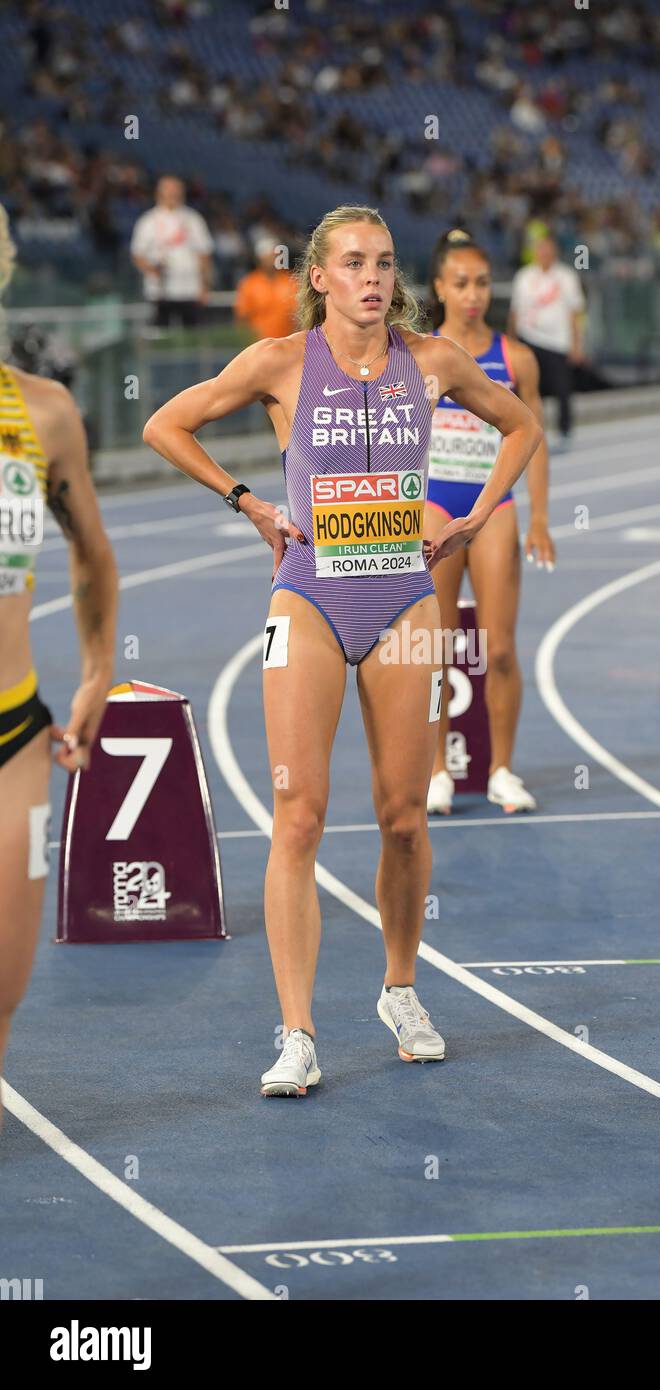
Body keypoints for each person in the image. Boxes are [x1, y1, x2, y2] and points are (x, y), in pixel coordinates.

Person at [141, 204, 541, 1098]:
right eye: (354, 263)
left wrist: (476, 515)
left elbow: (522, 427)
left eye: (385, 263)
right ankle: (297, 1032)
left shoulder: (432, 361)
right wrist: (246, 500)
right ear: (318, 276)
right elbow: (165, 425)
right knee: (300, 816)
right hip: (311, 595)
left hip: (404, 596)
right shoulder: (281, 363)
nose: (373, 278)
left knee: (404, 815)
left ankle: (401, 989)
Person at [0, 205, 118, 1125]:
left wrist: (94, 671)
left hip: (16, 734)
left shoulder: (43, 413)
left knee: (4, 983)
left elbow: (92, 556)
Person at [424, 228, 555, 816]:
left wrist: (541, 518)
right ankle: (435, 772)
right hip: (433, 501)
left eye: (481, 283)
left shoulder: (515, 357)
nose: (472, 294)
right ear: (439, 287)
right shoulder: (415, 353)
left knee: (499, 650)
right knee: (434, 647)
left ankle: (501, 769)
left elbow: (535, 440)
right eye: (460, 283)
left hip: (493, 504)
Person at [508, 234, 585, 443]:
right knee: (527, 388)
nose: (544, 254)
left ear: (555, 251)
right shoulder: (524, 276)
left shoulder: (566, 276)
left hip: (557, 342)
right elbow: (515, 311)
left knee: (562, 389)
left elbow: (574, 313)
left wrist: (577, 344)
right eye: (541, 249)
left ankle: (565, 430)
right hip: (528, 338)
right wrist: (511, 341)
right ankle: (526, 429)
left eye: (548, 249)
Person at [130, 176, 213, 329]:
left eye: (176, 190)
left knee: (193, 335)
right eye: (168, 190)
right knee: (162, 335)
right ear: (159, 193)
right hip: (160, 290)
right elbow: (137, 254)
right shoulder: (148, 221)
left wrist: (205, 286)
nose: (172, 194)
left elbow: (204, 254)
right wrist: (151, 270)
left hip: (190, 289)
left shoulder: (193, 219)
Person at [234, 237, 299, 341]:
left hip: (287, 344)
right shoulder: (249, 283)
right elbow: (242, 317)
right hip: (258, 345)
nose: (271, 260)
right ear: (259, 259)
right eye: (267, 256)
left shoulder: (291, 281)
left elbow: (299, 316)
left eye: (274, 256)